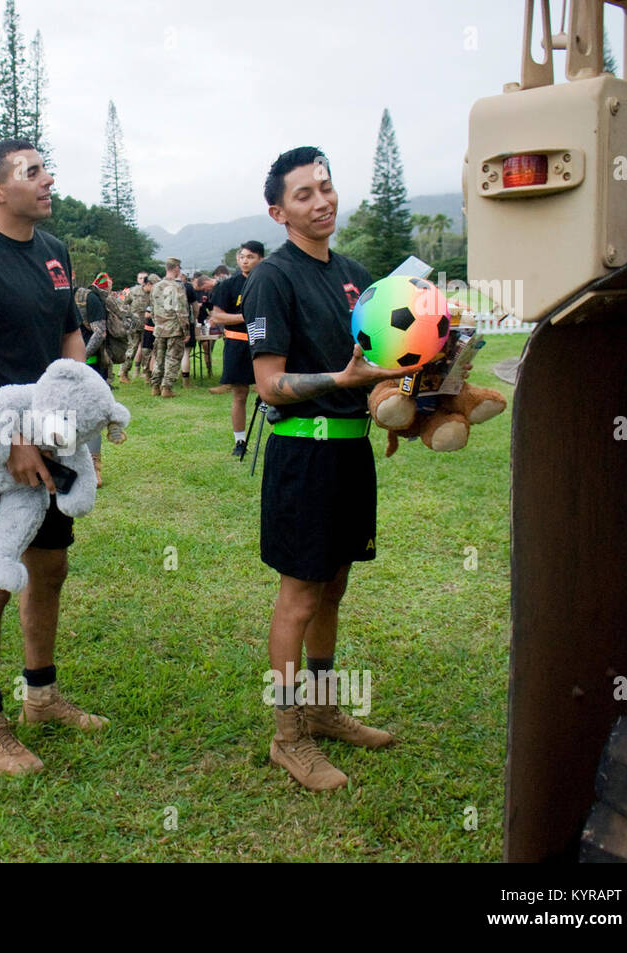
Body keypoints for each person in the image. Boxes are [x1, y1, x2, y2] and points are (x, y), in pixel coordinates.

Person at [0, 139, 107, 777]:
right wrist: (12, 440)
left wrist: (74, 421)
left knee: (50, 566)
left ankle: (42, 696)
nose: (48, 180)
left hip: (51, 438)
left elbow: (68, 336)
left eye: (46, 168)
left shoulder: (55, 253)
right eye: (33, 172)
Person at [245, 147, 406, 791]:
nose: (322, 201)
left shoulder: (355, 275)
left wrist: (399, 396)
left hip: (350, 452)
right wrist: (341, 378)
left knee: (335, 585)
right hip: (302, 455)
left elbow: (375, 364)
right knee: (300, 592)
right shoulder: (272, 278)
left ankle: (323, 708)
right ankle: (288, 737)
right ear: (279, 211)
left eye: (327, 187)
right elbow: (267, 384)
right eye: (305, 194)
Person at [209, 240, 265, 456]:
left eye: (250, 257)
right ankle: (240, 441)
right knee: (240, 393)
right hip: (237, 343)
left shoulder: (268, 282)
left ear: (260, 259)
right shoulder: (228, 285)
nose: (244, 261)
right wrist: (245, 316)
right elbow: (217, 315)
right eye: (242, 257)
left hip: (263, 343)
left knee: (272, 390)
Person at [76, 271, 116, 487]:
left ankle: (94, 469)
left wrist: (79, 360)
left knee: (90, 417)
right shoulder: (47, 298)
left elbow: (100, 332)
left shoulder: (87, 298)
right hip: (55, 369)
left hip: (89, 366)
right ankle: (65, 465)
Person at [149, 258, 189, 397]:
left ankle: (155, 386)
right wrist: (186, 329)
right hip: (173, 328)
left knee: (159, 358)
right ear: (176, 268)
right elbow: (181, 310)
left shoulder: (156, 286)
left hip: (159, 328)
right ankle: (167, 387)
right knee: (173, 358)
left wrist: (157, 323)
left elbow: (152, 309)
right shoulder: (177, 286)